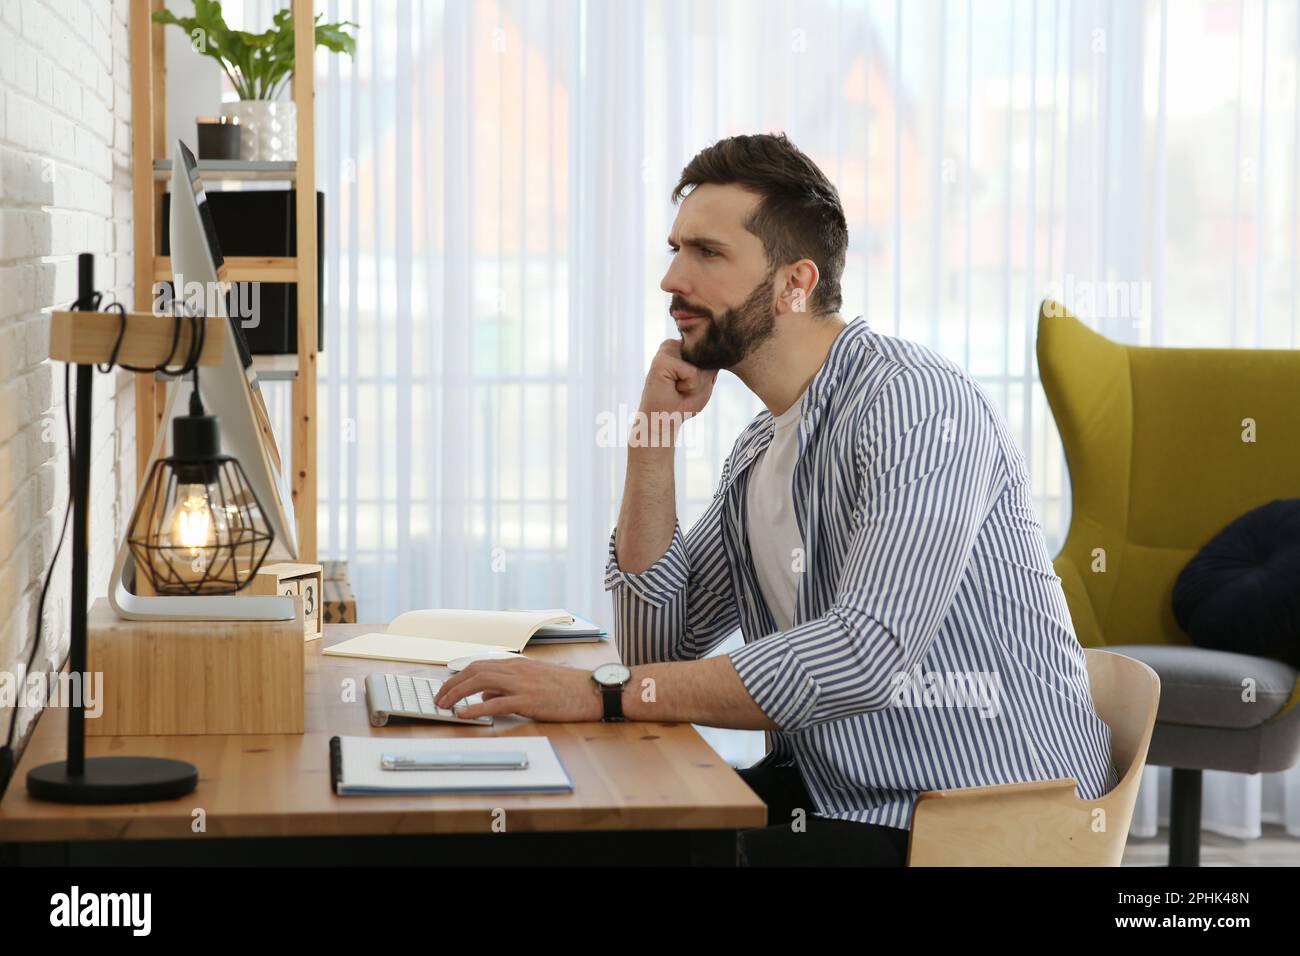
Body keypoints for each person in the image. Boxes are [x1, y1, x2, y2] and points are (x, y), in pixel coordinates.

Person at [437, 132, 1118, 866]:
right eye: (675, 250)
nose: (671, 279)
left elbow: (866, 654)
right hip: (840, 796)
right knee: (562, 818)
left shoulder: (916, 405)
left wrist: (601, 693)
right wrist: (652, 444)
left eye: (707, 253)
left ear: (796, 282)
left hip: (970, 821)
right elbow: (658, 646)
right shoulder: (765, 445)